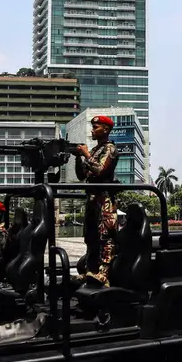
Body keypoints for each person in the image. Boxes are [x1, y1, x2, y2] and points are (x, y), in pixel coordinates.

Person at [74, 114, 120, 286]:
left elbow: (101, 170)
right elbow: (81, 175)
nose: (92, 130)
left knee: (105, 237)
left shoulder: (110, 149)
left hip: (105, 199)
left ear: (106, 129)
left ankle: (104, 274)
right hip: (92, 199)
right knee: (91, 237)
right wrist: (78, 157)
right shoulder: (94, 151)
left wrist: (86, 154)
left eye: (96, 127)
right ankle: (90, 271)